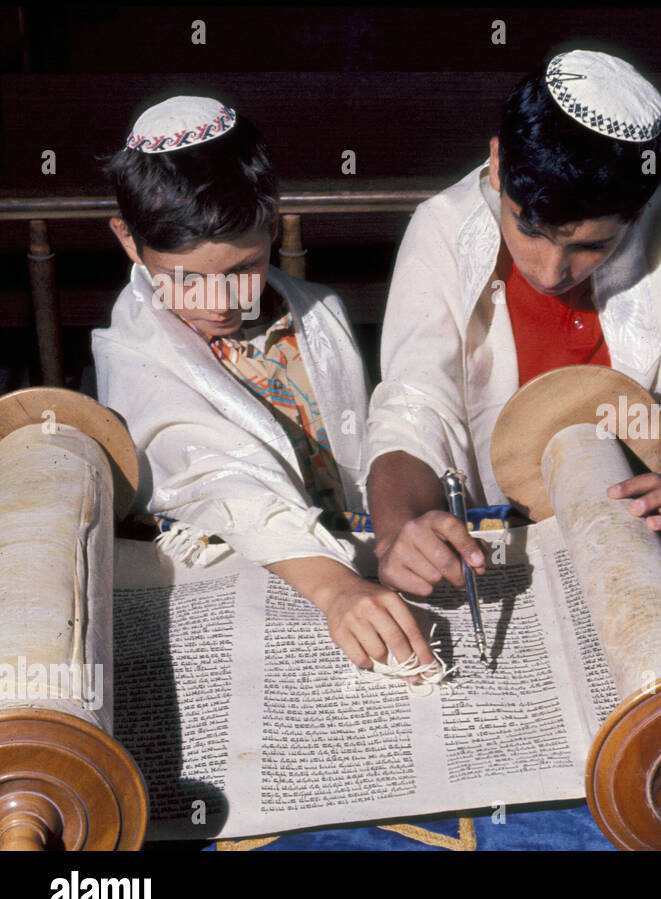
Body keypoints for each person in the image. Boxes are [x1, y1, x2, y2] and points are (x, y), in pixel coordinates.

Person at [366, 50, 661, 597]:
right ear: (497, 163)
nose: (550, 271)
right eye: (530, 228)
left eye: (592, 246)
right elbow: (414, 415)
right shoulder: (442, 232)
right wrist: (399, 533)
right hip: (498, 555)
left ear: (639, 212)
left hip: (660, 553)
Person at [93, 96, 438, 680]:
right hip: (257, 596)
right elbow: (217, 478)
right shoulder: (130, 352)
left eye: (242, 268)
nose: (222, 301)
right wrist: (334, 589)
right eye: (187, 280)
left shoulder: (316, 310)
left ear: (272, 224)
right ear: (128, 240)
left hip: (355, 578)